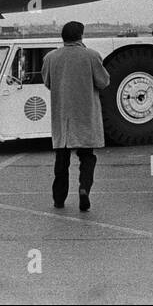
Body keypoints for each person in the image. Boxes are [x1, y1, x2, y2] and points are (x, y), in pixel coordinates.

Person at [43, 21, 110, 212]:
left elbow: (48, 82)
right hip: (85, 114)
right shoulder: (91, 55)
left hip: (62, 115)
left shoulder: (51, 58)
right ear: (81, 36)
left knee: (61, 160)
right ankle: (84, 189)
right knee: (87, 157)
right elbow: (103, 81)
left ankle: (59, 199)